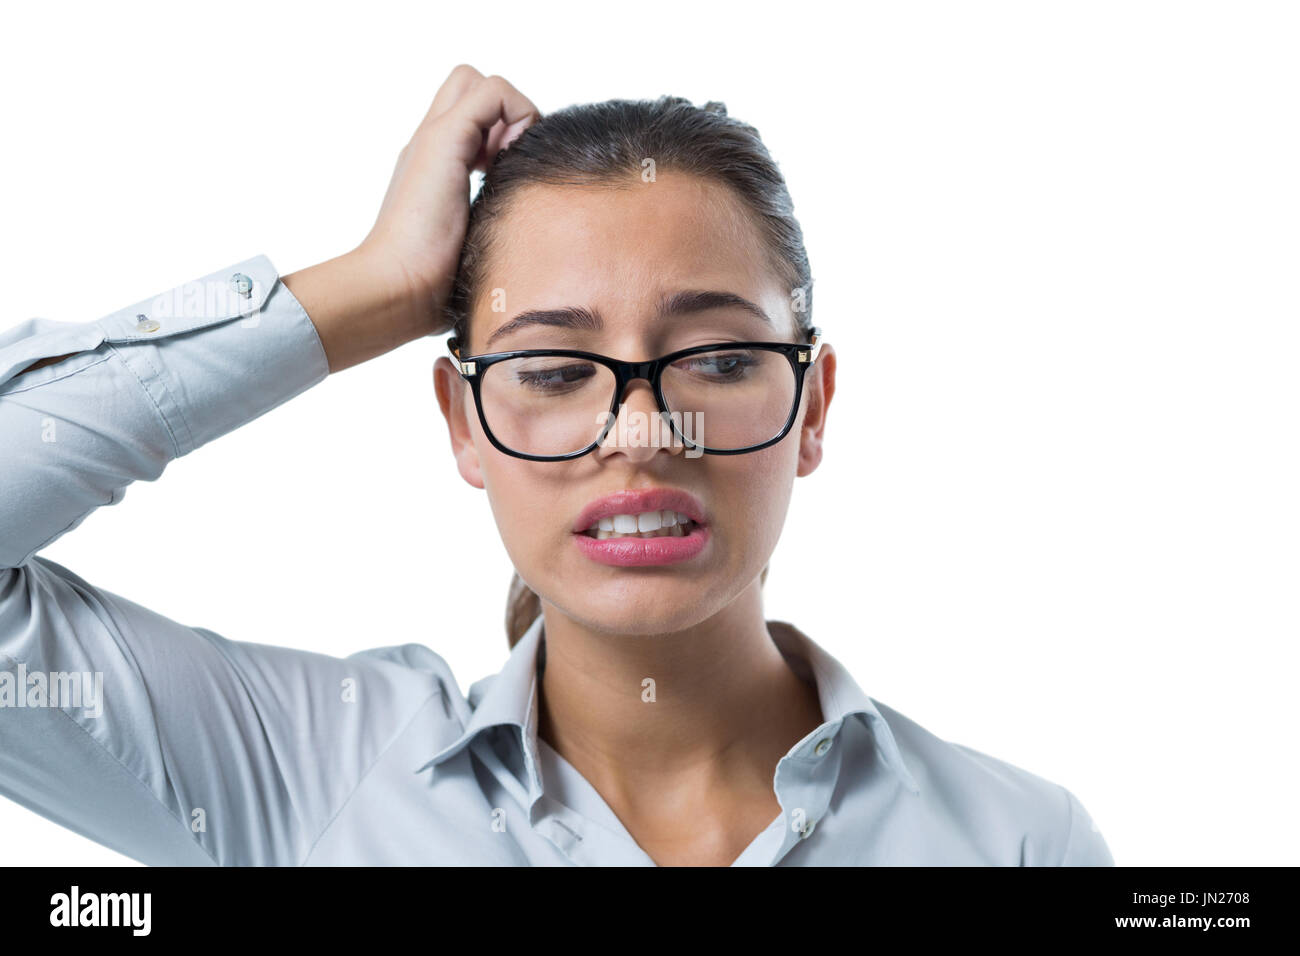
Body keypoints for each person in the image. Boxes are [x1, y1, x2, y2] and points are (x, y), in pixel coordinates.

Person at [0, 64, 1114, 866]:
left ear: (811, 405)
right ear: (462, 422)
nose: (641, 434)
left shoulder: (1018, 841)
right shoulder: (307, 775)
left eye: (718, 357)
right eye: (548, 369)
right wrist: (374, 285)